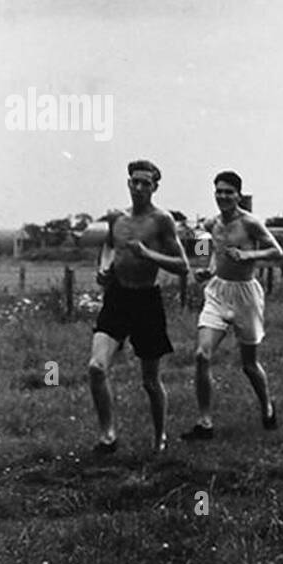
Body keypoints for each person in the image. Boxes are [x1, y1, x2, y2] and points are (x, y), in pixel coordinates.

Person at [87, 159, 189, 456]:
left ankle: (159, 438)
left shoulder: (162, 221)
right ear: (128, 183)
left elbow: (183, 266)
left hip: (147, 300)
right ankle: (108, 435)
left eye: (146, 183)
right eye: (135, 181)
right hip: (117, 298)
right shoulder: (117, 218)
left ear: (155, 187)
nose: (140, 187)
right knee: (96, 368)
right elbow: (108, 247)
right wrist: (104, 268)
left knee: (150, 381)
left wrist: (147, 254)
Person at [181, 171, 283, 441]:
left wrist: (248, 254)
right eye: (219, 191)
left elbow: (276, 251)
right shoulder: (211, 223)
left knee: (249, 364)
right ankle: (205, 422)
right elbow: (210, 250)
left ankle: (267, 407)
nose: (223, 196)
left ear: (238, 194)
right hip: (218, 291)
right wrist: (207, 270)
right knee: (202, 356)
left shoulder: (250, 223)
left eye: (229, 192)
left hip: (245, 295)